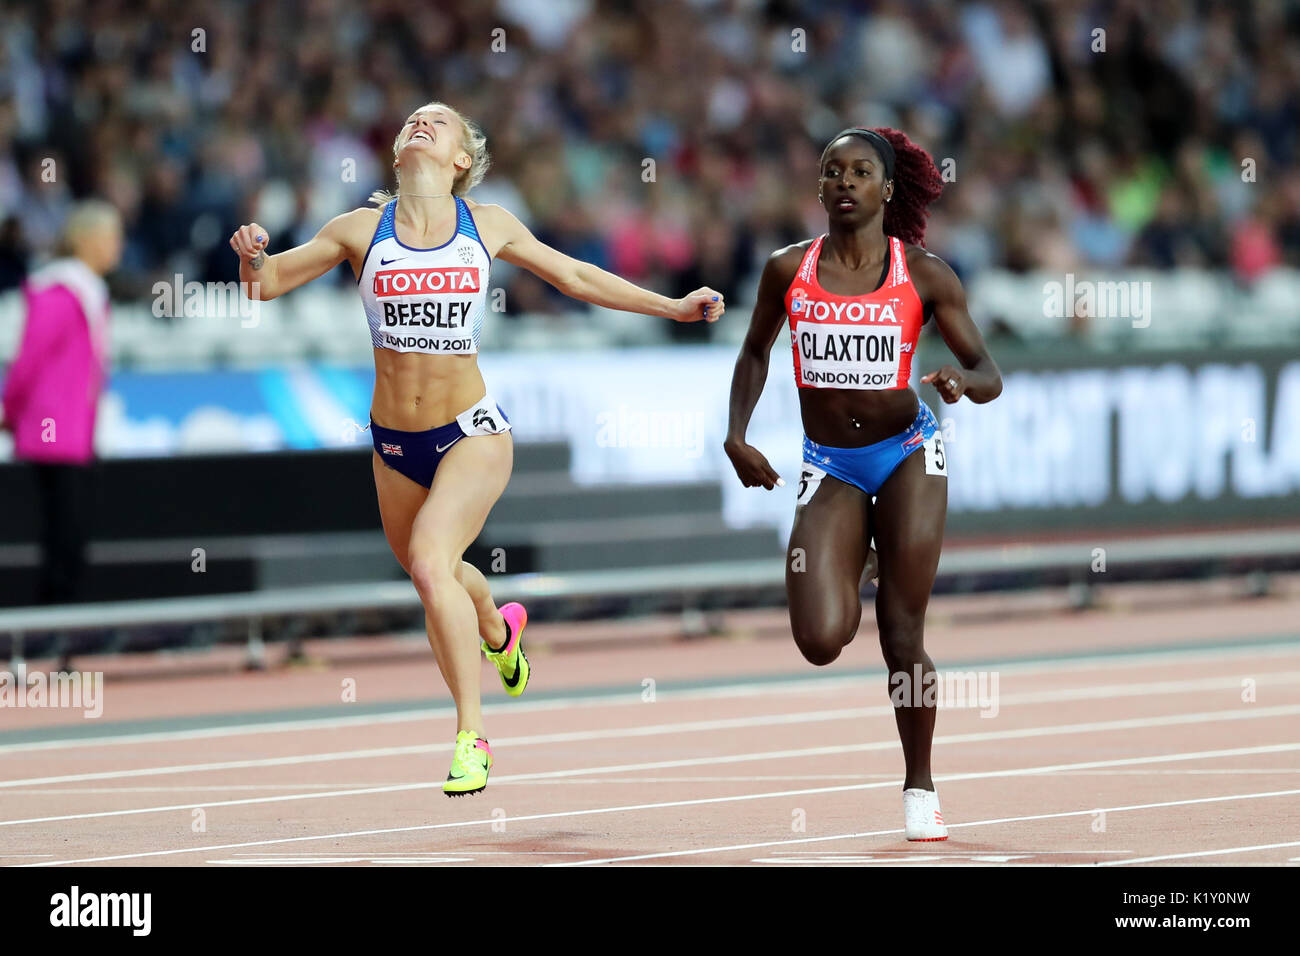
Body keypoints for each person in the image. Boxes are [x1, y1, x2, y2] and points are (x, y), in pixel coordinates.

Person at [229, 102, 724, 797]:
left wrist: (670, 307)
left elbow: (576, 277)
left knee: (433, 564)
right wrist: (252, 256)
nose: (420, 124)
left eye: (439, 121)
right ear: (398, 148)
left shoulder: (485, 226)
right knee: (439, 576)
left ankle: (471, 735)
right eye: (410, 120)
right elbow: (268, 285)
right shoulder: (357, 230)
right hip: (395, 445)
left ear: (463, 159)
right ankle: (498, 627)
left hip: (473, 433)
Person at [724, 127, 1002, 840]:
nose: (844, 182)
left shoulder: (928, 275)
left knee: (900, 634)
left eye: (860, 172)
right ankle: (861, 552)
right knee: (821, 638)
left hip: (908, 453)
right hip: (832, 464)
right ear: (818, 189)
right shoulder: (788, 269)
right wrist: (737, 435)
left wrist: (960, 383)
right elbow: (755, 349)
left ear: (887, 189)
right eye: (832, 171)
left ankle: (920, 784)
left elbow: (990, 375)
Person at [1, 200, 123, 605]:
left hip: (75, 431)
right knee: (63, 534)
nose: (116, 247)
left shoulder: (86, 290)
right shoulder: (60, 291)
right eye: (110, 238)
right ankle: (51, 625)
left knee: (70, 534)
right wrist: (10, 408)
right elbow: (29, 357)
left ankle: (59, 625)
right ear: (86, 241)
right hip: (53, 430)